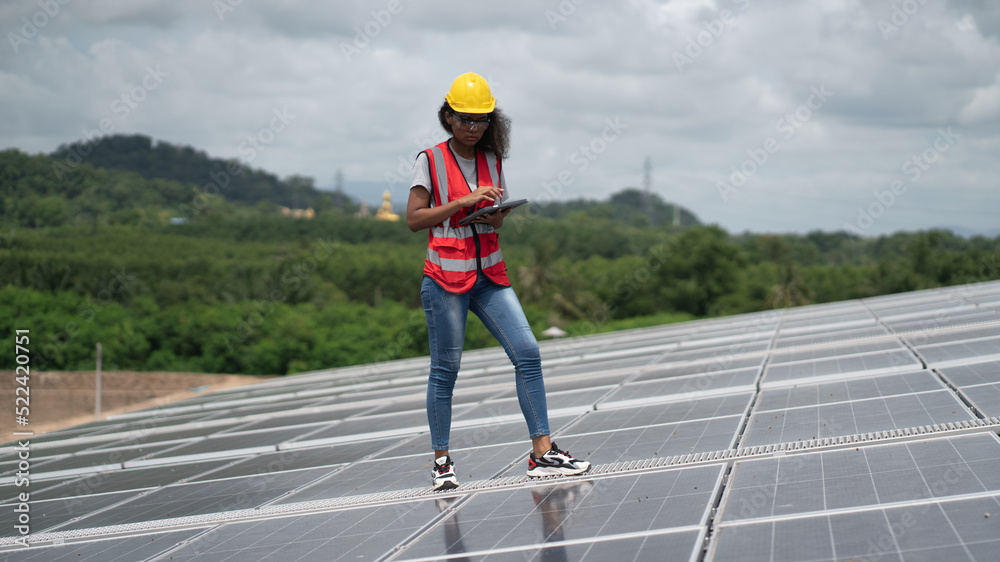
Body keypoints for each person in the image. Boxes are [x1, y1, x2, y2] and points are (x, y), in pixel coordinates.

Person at [407, 72, 591, 491]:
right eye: (465, 119)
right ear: (448, 117)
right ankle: (441, 462)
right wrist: (463, 201)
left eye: (481, 120)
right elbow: (414, 220)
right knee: (446, 370)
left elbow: (497, 219)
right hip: (446, 279)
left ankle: (542, 453)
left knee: (528, 352)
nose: (473, 128)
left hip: (489, 274)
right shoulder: (430, 160)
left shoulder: (492, 159)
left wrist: (495, 216)